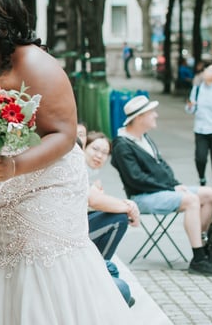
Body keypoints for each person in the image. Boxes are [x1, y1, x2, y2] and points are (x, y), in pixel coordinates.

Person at [0, 0, 133, 323]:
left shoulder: (36, 65)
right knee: (4, 275)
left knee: (41, 276)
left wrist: (13, 167)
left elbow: (64, 135)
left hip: (41, 194)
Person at [111, 95, 212, 276]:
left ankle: (204, 247)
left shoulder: (144, 138)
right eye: (151, 113)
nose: (156, 115)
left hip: (161, 191)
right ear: (139, 118)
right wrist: (171, 188)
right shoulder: (122, 145)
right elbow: (136, 179)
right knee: (191, 200)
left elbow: (163, 166)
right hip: (141, 197)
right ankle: (198, 259)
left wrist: (175, 184)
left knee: (209, 193)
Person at [84, 131, 139, 308]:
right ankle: (101, 271)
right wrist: (129, 208)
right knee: (118, 220)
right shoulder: (80, 170)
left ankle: (103, 271)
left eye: (104, 152)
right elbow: (95, 201)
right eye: (95, 149)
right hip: (72, 231)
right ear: (84, 147)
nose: (99, 155)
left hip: (78, 224)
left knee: (117, 216)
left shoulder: (93, 175)